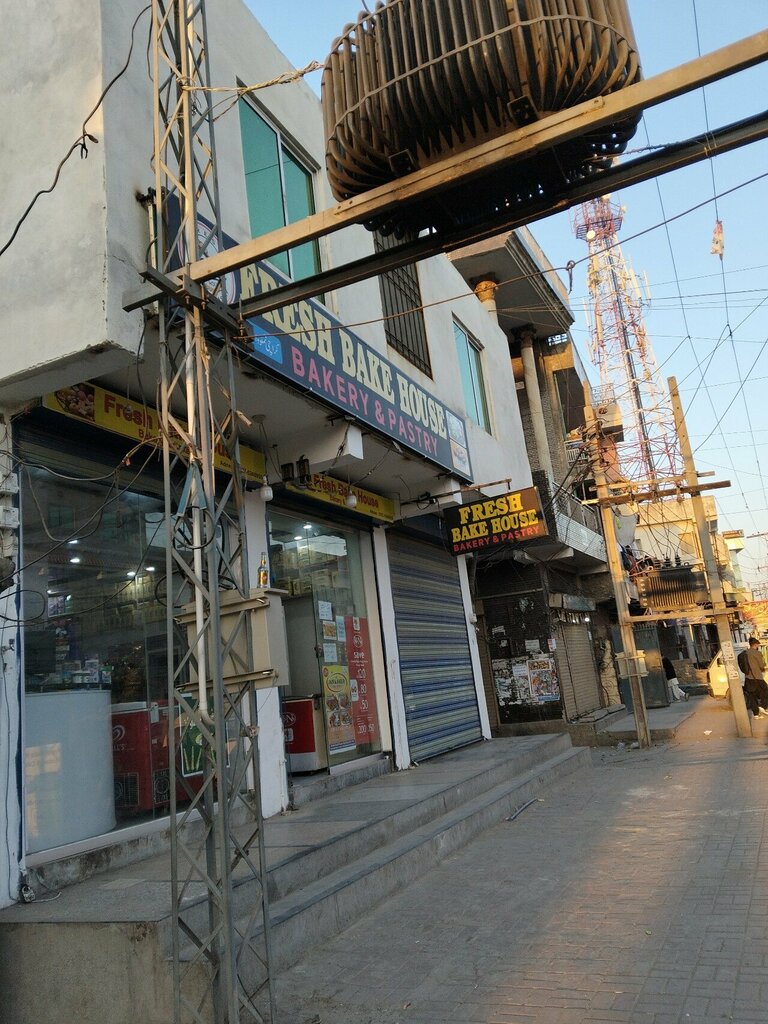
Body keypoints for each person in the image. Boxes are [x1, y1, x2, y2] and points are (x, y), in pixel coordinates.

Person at [737, 638, 768, 718]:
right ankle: (763, 706)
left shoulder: (744, 653)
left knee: (752, 696)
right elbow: (761, 665)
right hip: (757, 677)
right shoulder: (757, 653)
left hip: (748, 678)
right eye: (758, 644)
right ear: (755, 644)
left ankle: (756, 714)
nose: (758, 645)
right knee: (765, 691)